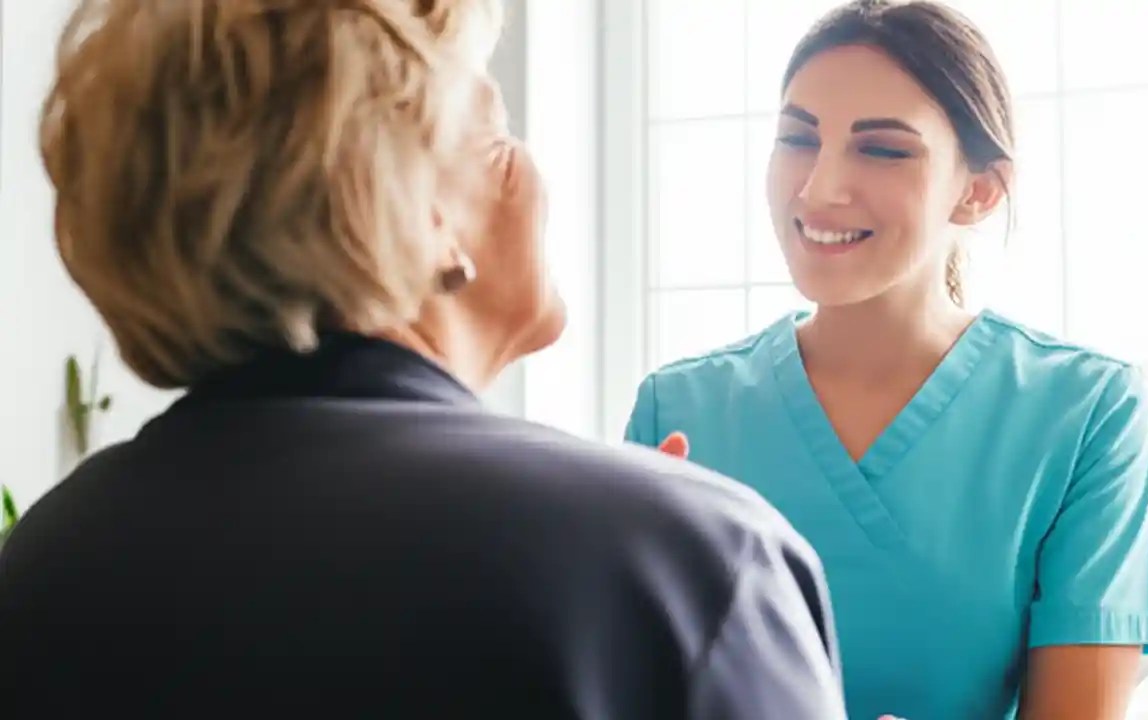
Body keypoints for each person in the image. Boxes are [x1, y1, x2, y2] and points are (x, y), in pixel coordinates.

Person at [0, 1, 845, 717]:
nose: (537, 178)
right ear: (427, 215)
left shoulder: (41, 567)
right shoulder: (693, 567)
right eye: (499, 133)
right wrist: (645, 539)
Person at [626, 2, 1148, 718]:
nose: (820, 188)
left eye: (883, 149)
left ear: (979, 190)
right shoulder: (676, 411)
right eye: (798, 138)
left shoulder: (1088, 414)